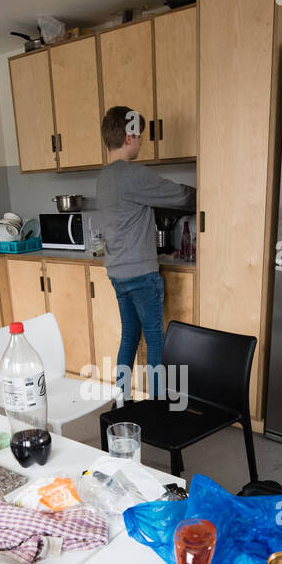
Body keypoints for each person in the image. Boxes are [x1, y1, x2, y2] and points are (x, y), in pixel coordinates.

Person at [95, 105, 195, 401]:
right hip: (141, 274)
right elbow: (178, 195)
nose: (141, 142)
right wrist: (210, 192)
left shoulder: (104, 178)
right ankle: (155, 405)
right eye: (139, 136)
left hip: (118, 273)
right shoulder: (134, 175)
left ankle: (123, 401)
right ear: (129, 136)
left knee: (129, 337)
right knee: (154, 342)